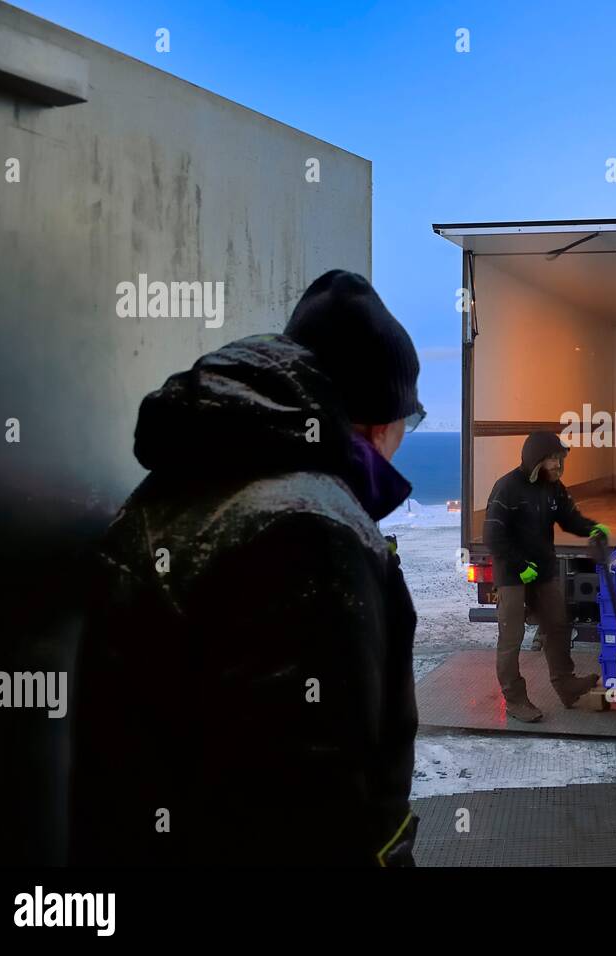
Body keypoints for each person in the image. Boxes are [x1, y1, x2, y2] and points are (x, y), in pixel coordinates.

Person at [71, 270, 424, 866]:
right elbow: (307, 807)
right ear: (375, 423)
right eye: (406, 423)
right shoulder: (312, 530)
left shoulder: (175, 490)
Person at [484, 431, 610, 722]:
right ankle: (515, 700)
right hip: (513, 575)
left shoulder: (553, 488)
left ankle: (566, 685)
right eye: (554, 459)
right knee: (512, 637)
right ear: (537, 459)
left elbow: (568, 517)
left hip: (543, 570)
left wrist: (591, 528)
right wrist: (519, 565)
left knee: (557, 626)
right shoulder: (507, 488)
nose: (558, 465)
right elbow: (493, 536)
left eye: (560, 459)